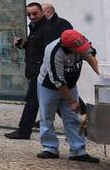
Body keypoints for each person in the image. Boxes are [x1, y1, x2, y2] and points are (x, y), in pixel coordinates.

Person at [6, 2, 72, 140]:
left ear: (42, 12)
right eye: (28, 14)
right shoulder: (35, 27)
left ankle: (24, 130)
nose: (31, 17)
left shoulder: (48, 28)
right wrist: (22, 44)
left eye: (34, 13)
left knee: (33, 100)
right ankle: (81, 121)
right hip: (36, 70)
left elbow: (49, 51)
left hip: (41, 71)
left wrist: (46, 69)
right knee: (56, 100)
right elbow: (34, 47)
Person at [36, 29, 101, 162]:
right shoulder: (54, 52)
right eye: (78, 49)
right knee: (47, 116)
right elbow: (58, 81)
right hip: (49, 86)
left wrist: (102, 76)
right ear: (67, 46)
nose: (81, 50)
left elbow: (90, 56)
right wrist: (71, 101)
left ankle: (78, 151)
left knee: (74, 118)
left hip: (70, 84)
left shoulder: (80, 40)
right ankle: (50, 148)